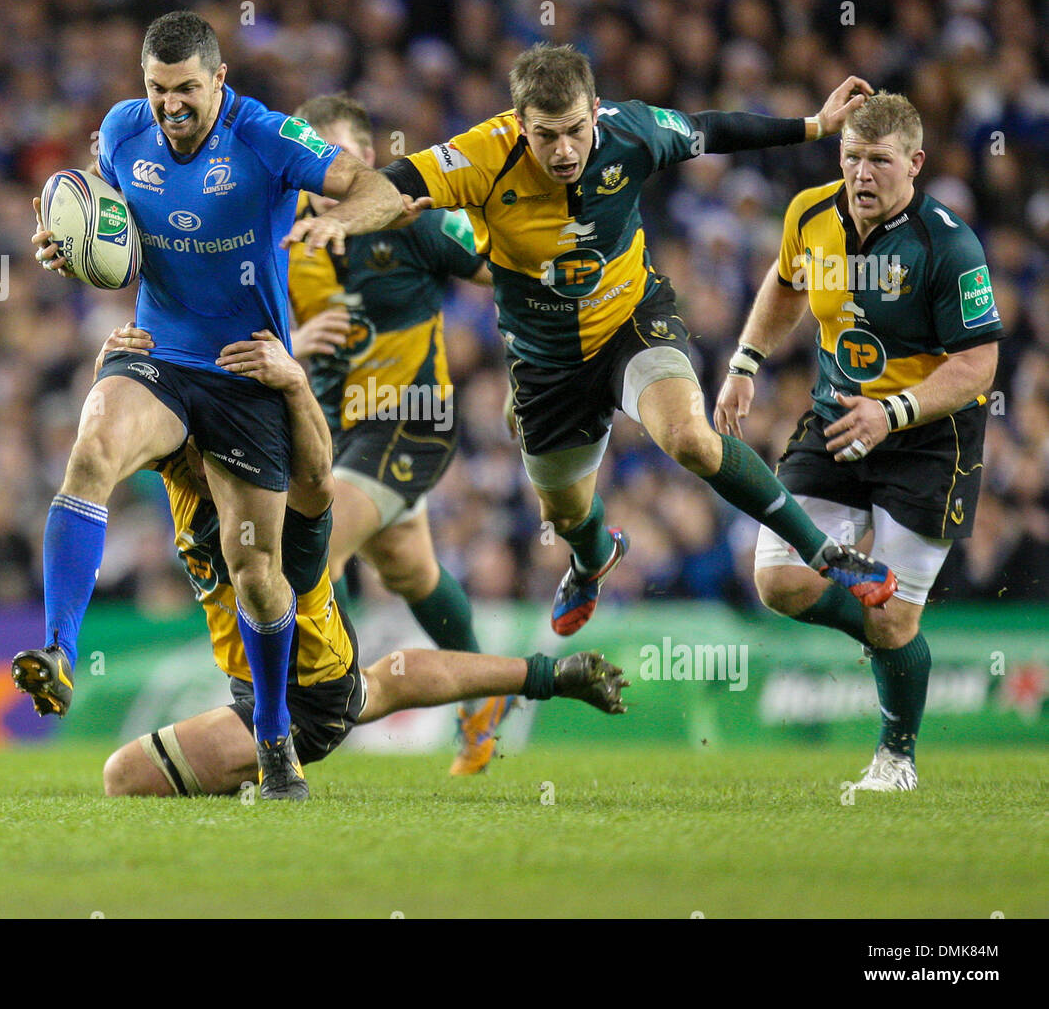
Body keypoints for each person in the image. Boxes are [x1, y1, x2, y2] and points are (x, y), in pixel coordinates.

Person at [331, 44, 897, 639]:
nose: (565, 150)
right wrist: (336, 218)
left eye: (576, 129)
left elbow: (708, 130)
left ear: (595, 110)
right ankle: (593, 556)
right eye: (547, 136)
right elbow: (388, 183)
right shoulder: (479, 155)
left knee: (690, 440)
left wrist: (814, 125)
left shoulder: (633, 131)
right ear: (519, 125)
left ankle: (822, 552)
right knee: (565, 512)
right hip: (545, 362)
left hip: (633, 319)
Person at [11, 10, 401, 800]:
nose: (171, 106)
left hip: (246, 372)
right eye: (158, 90)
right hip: (158, 356)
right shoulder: (121, 134)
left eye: (187, 88)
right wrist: (70, 250)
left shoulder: (266, 136)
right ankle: (57, 649)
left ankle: (273, 741)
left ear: (220, 81)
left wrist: (338, 228)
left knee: (255, 568)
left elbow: (379, 190)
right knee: (90, 450)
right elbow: (116, 236)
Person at [94, 324, 629, 798]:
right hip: (301, 676)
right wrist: (112, 369)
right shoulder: (184, 468)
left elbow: (320, 479)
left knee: (123, 775)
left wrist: (297, 383)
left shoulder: (284, 520)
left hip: (302, 700)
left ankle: (269, 759)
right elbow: (114, 435)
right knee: (380, 680)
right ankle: (554, 674)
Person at [714, 92, 1002, 791]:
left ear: (915, 162)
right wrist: (745, 363)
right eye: (850, 158)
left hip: (929, 439)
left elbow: (977, 366)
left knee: (897, 624)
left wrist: (894, 411)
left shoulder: (949, 245)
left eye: (878, 160)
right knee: (779, 580)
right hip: (838, 420)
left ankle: (895, 758)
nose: (861, 173)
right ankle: (873, 612)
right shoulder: (809, 214)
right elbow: (785, 285)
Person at [285, 93, 514, 776]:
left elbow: (506, 276)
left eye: (343, 159)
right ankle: (486, 693)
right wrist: (294, 342)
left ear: (368, 164)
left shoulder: (413, 220)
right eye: (314, 160)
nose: (330, 175)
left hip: (412, 421)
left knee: (311, 555)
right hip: (335, 432)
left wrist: (533, 373)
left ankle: (324, 704)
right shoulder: (278, 232)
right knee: (411, 571)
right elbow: (238, 331)